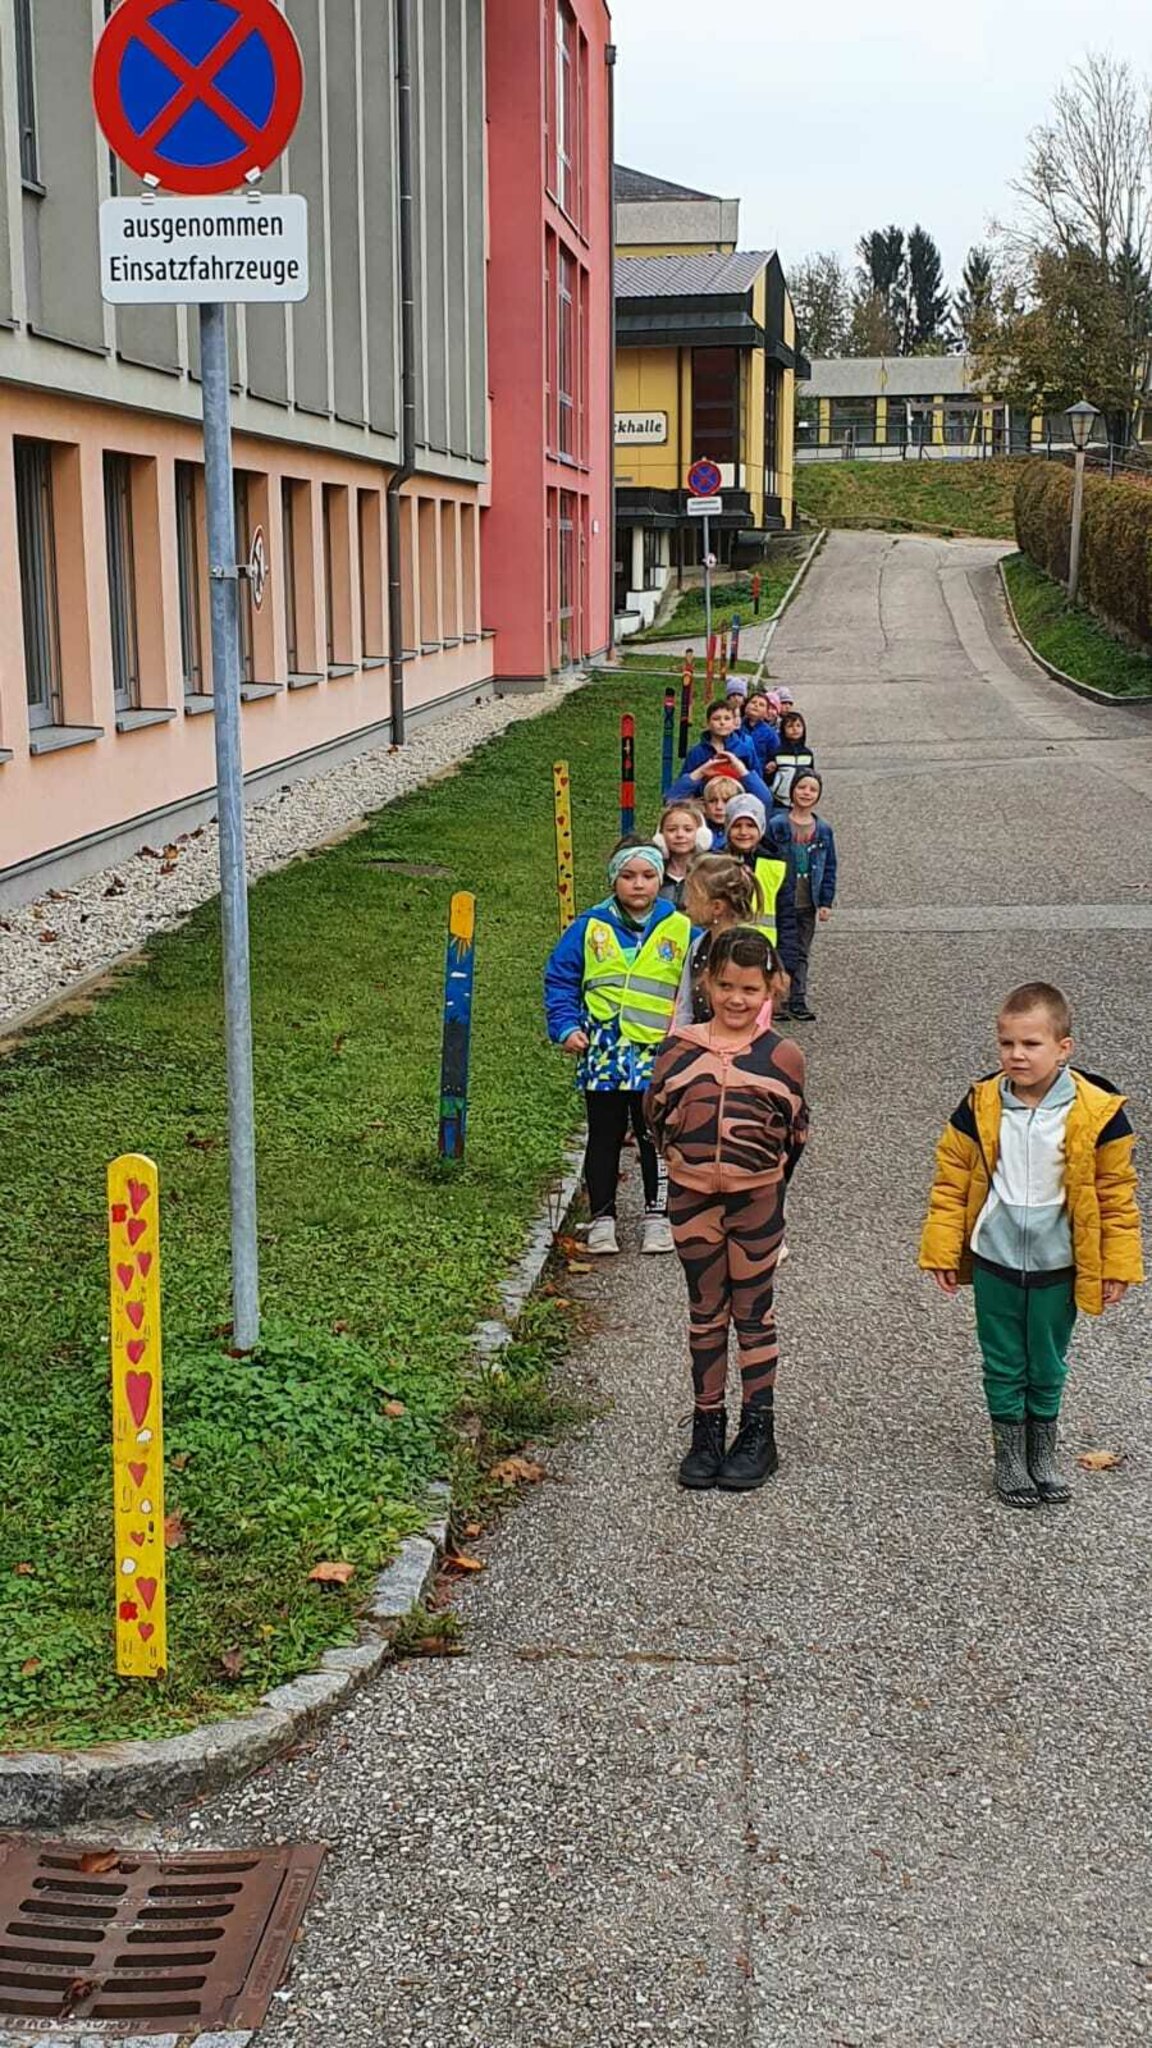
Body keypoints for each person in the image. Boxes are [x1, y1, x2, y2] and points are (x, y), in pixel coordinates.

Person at [919, 982, 1144, 1509]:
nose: (1016, 1055)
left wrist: (1117, 1265)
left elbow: (1116, 1195)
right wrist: (943, 1249)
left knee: (1046, 1361)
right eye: (1006, 1044)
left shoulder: (1098, 1111)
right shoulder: (980, 1105)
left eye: (1031, 1044)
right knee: (1002, 1361)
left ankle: (1042, 1453)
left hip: (1059, 1262)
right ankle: (1009, 1458)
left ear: (1064, 1047)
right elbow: (951, 1181)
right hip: (997, 1257)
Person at [647, 926, 810, 1491]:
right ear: (705, 983)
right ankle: (707, 1424)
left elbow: (795, 1133)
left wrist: (763, 1184)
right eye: (724, 986)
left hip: (756, 1201)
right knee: (704, 1311)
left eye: (749, 988)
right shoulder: (678, 1049)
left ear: (770, 989)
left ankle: (758, 1428)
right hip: (693, 1200)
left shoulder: (783, 1057)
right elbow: (655, 1118)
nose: (736, 1000)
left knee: (754, 1313)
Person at [545, 838, 691, 1259]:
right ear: (614, 880)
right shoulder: (589, 928)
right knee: (604, 1136)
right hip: (603, 1053)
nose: (639, 885)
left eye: (648, 876)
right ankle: (603, 1218)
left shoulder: (679, 927)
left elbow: (698, 983)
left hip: (658, 1056)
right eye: (628, 876)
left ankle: (657, 1216)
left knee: (654, 1137)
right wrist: (565, 1026)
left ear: (660, 878)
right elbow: (560, 978)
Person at [675, 855, 785, 1025]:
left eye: (692, 897)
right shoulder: (699, 945)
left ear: (717, 907)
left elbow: (762, 1008)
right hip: (698, 1042)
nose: (686, 903)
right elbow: (684, 1005)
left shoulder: (753, 949)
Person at [767, 771, 837, 1023]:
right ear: (793, 790)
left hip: (808, 901)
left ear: (818, 796)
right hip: (781, 900)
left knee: (802, 951)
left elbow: (830, 866)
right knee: (779, 950)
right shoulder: (778, 824)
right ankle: (779, 999)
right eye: (802, 787)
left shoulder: (824, 830)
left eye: (812, 789)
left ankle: (798, 998)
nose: (806, 793)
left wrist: (826, 901)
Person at [723, 793, 798, 976]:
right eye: (737, 826)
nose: (743, 832)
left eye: (750, 826)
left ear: (761, 828)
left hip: (765, 956)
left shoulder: (776, 865)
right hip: (724, 954)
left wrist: (786, 965)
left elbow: (786, 917)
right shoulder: (718, 864)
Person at [680, 697, 759, 777]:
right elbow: (684, 784)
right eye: (716, 719)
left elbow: (757, 782)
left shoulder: (745, 751)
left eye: (727, 718)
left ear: (734, 723)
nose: (722, 722)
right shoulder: (696, 753)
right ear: (708, 723)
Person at [654, 799, 712, 908]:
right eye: (672, 830)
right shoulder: (654, 872)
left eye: (688, 829)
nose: (680, 835)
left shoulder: (710, 872)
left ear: (701, 835)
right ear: (660, 837)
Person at [772, 710, 816, 805]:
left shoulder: (807, 753)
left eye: (798, 726)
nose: (795, 729)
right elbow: (770, 776)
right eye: (790, 726)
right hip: (780, 799)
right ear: (783, 730)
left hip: (802, 798)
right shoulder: (777, 753)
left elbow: (812, 776)